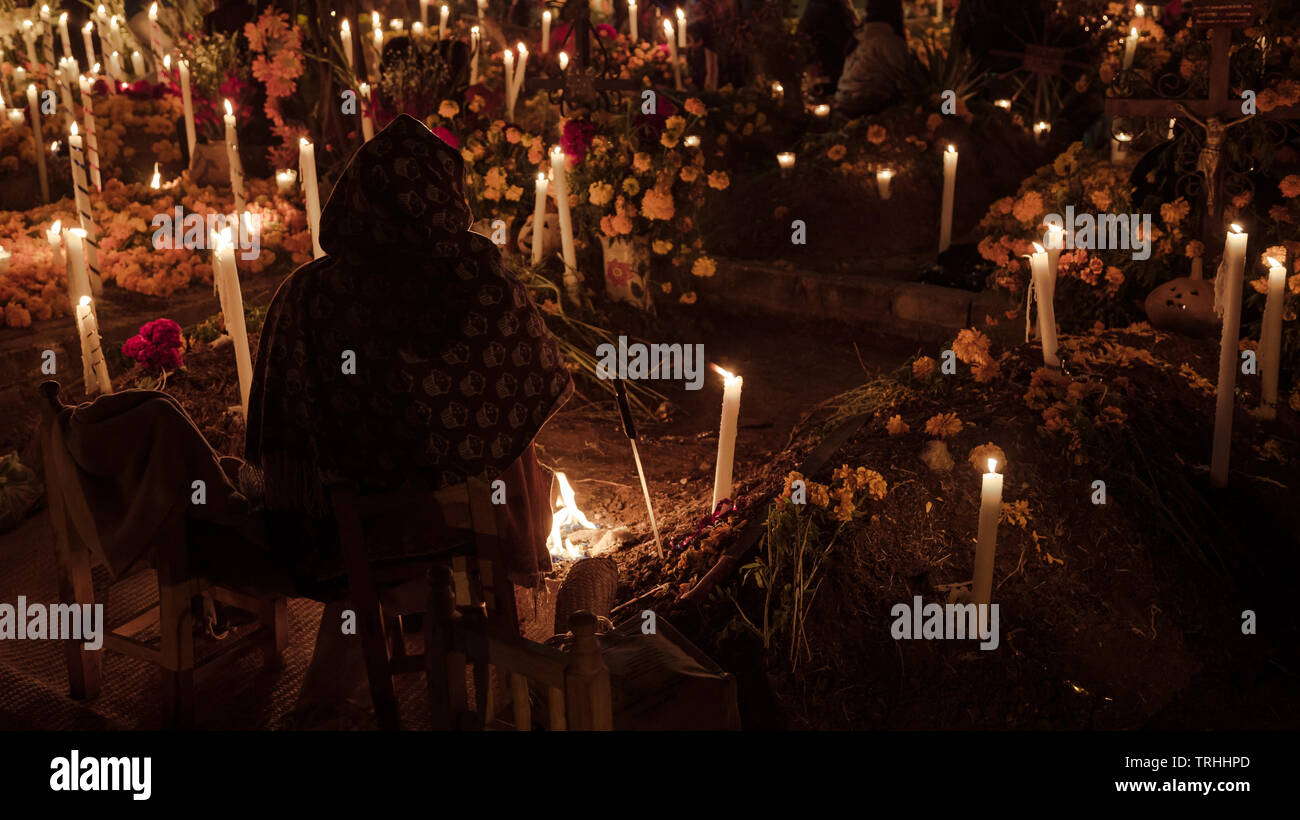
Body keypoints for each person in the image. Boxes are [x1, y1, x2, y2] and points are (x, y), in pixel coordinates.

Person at [243, 113, 572, 602]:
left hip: (349, 524)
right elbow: (532, 377)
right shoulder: (476, 273)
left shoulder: (307, 291)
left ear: (357, 194)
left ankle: (387, 603)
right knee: (510, 439)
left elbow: (284, 423)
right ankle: (489, 592)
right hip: (471, 518)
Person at [833, 0, 911, 118]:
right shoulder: (889, 41)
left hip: (843, 99)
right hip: (864, 104)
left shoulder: (860, 36)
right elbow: (904, 78)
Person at [797, 0, 860, 97]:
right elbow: (848, 44)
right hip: (833, 82)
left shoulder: (821, 6)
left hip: (832, 79)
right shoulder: (826, 8)